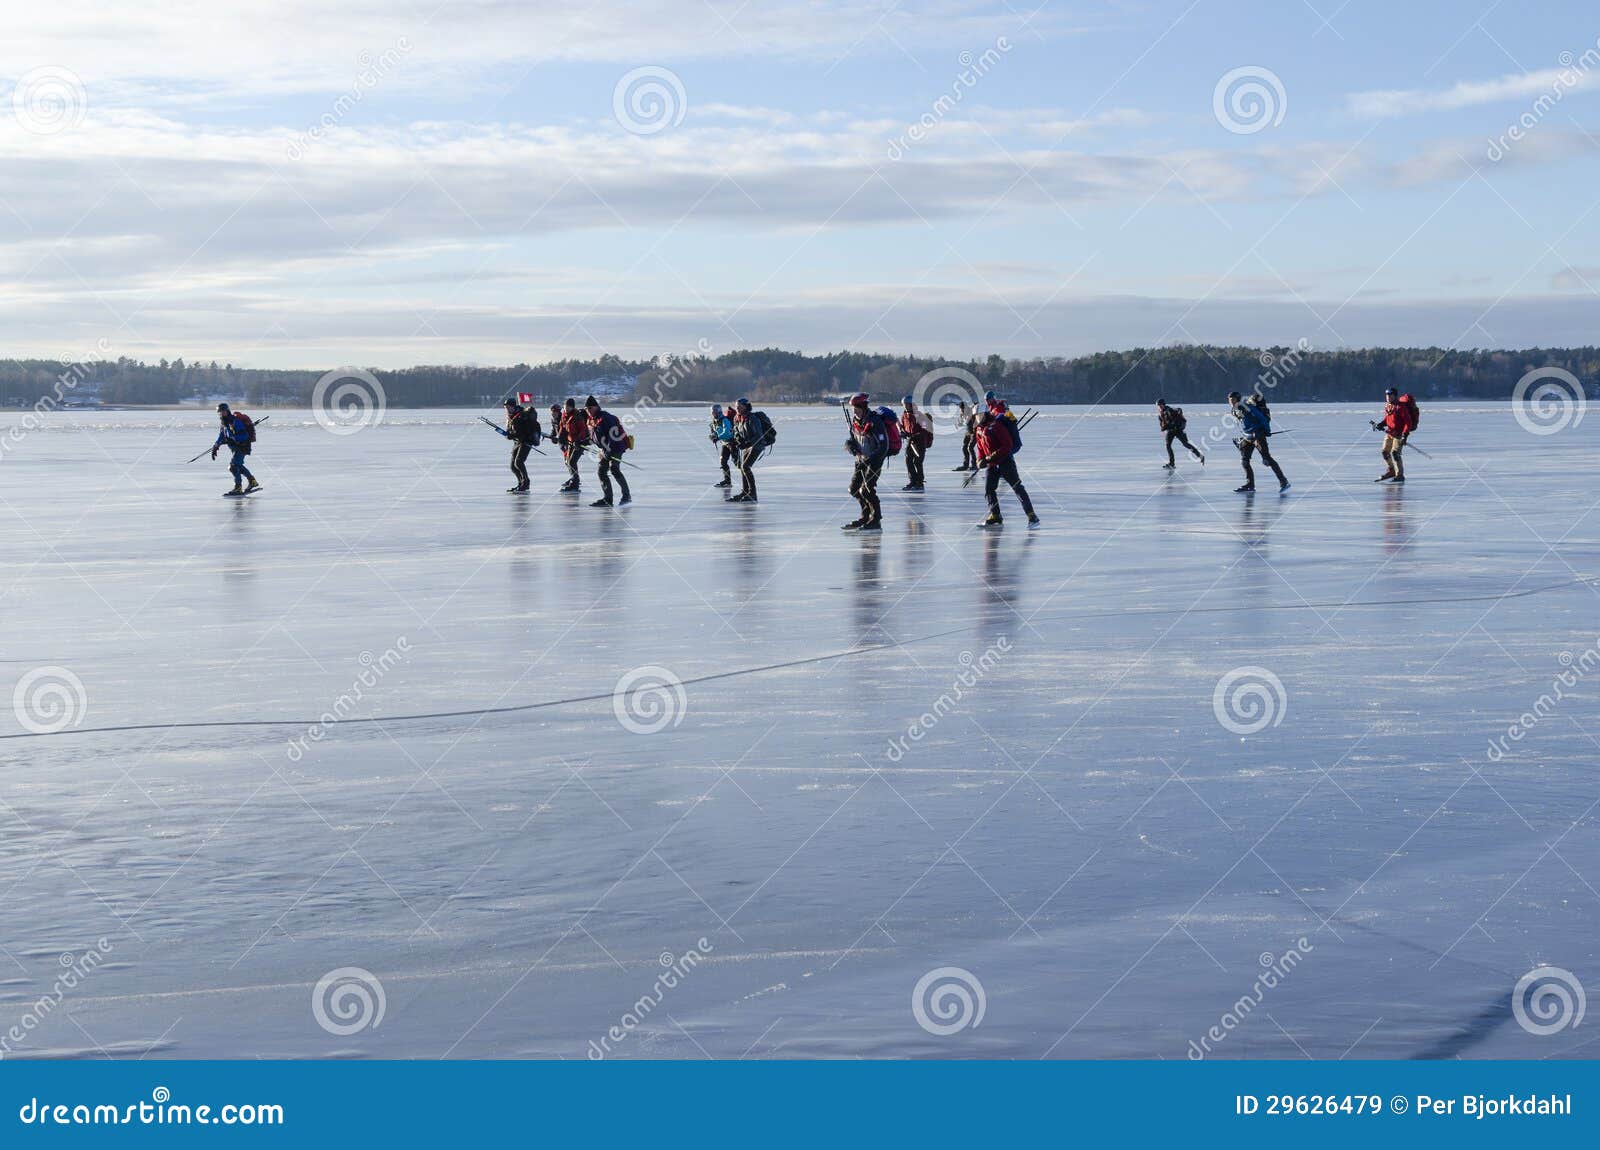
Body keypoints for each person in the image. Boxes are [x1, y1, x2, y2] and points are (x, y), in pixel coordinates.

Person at [975, 410, 1039, 527]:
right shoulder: (979, 429)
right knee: (989, 490)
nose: (978, 418)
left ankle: (1032, 516)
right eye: (976, 416)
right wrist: (979, 460)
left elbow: (1007, 445)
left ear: (985, 414)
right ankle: (995, 515)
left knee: (1017, 488)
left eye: (980, 415)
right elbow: (980, 448)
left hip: (1006, 462)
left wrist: (989, 458)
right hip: (992, 465)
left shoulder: (997, 426)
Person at [842, 393, 888, 531]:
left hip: (874, 461)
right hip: (860, 460)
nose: (854, 411)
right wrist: (850, 447)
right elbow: (851, 440)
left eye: (857, 408)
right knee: (854, 489)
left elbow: (884, 446)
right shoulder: (856, 422)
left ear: (863, 407)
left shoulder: (875, 422)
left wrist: (870, 460)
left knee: (867, 489)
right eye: (853, 409)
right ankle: (865, 516)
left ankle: (875, 520)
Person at [1229, 390, 1288, 492]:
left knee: (1267, 459)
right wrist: (1243, 437)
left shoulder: (1246, 407)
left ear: (1238, 399)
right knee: (1244, 461)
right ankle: (1250, 485)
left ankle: (1284, 482)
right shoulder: (1234, 410)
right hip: (1248, 437)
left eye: (1233, 400)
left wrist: (1267, 431)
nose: (1231, 402)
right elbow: (1244, 424)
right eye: (1230, 400)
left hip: (1258, 436)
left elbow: (1262, 418)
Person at [584, 395, 631, 506]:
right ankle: (608, 499)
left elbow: (614, 436)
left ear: (596, 407)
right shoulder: (592, 420)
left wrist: (608, 451)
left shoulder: (606, 418)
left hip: (617, 446)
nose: (588, 410)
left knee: (614, 469)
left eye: (590, 408)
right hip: (606, 449)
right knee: (601, 471)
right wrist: (582, 442)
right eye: (586, 409)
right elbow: (594, 437)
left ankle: (626, 496)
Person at [728, 397, 775, 503]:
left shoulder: (752, 419)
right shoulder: (736, 418)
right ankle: (745, 492)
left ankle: (752, 494)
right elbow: (737, 432)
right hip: (747, 446)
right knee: (742, 467)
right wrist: (738, 441)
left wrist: (747, 443)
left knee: (745, 467)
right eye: (736, 406)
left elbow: (758, 435)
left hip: (757, 445)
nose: (737, 408)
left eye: (740, 406)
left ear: (746, 407)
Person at [211, 402, 260, 496]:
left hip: (242, 447)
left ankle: (238, 487)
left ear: (227, 411)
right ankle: (252, 481)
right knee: (238, 466)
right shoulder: (224, 422)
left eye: (223, 411)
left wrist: (232, 439)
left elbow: (244, 436)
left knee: (233, 466)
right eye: (220, 412)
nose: (222, 414)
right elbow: (222, 435)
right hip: (235, 448)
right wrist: (216, 446)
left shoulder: (235, 421)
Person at [1372, 386, 1418, 483]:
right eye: (1387, 395)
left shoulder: (1401, 407)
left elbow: (1408, 423)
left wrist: (1405, 435)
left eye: (1390, 395)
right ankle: (1392, 470)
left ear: (1395, 396)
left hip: (1399, 435)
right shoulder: (1388, 406)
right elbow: (1387, 419)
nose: (1388, 397)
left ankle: (1400, 475)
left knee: (1395, 453)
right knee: (1385, 452)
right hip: (1389, 433)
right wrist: (1381, 424)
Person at [500, 398, 541, 492]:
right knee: (513, 466)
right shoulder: (510, 416)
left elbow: (521, 432)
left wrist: (511, 435)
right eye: (506, 407)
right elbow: (511, 430)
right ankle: (521, 483)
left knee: (519, 462)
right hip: (517, 442)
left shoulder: (522, 415)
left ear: (513, 406)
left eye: (508, 407)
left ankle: (526, 483)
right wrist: (508, 435)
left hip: (526, 442)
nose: (507, 409)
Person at [1156, 398, 1203, 468]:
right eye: (1158, 405)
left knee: (1185, 444)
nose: (1159, 407)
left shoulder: (1169, 409)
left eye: (1160, 405)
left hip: (1178, 430)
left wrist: (1175, 421)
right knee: (1168, 445)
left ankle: (1200, 456)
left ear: (1164, 404)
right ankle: (1172, 464)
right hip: (1170, 431)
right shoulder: (1160, 415)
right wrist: (1163, 428)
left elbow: (1179, 409)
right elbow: (1162, 426)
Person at [899, 396, 932, 491]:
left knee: (917, 462)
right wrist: (903, 433)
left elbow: (924, 430)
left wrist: (913, 435)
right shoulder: (904, 416)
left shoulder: (920, 416)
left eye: (906, 404)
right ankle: (912, 481)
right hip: (910, 442)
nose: (905, 406)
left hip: (920, 443)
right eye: (904, 405)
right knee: (908, 461)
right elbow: (904, 428)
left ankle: (920, 483)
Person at [558, 397, 589, 492]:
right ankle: (574, 480)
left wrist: (578, 440)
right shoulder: (564, 415)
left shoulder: (577, 416)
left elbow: (583, 430)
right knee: (568, 461)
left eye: (568, 407)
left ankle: (575, 484)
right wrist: (560, 437)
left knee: (572, 462)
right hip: (571, 442)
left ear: (572, 407)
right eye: (565, 406)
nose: (566, 408)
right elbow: (562, 427)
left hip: (580, 442)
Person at [708, 403, 736, 487]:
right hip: (725, 443)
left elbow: (727, 433)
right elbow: (715, 432)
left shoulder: (725, 420)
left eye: (714, 411)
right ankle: (727, 481)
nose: (713, 413)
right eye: (712, 412)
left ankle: (747, 484)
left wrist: (717, 437)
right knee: (723, 461)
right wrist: (712, 436)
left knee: (738, 464)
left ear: (719, 411)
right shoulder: (714, 422)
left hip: (732, 443)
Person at [955, 400, 977, 470]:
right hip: (968, 432)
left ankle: (974, 464)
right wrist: (959, 423)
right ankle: (965, 465)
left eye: (962, 408)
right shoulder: (962, 413)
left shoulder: (971, 411)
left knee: (970, 447)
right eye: (961, 408)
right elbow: (961, 422)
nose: (961, 410)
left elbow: (974, 409)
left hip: (974, 432)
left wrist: (975, 405)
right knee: (964, 448)